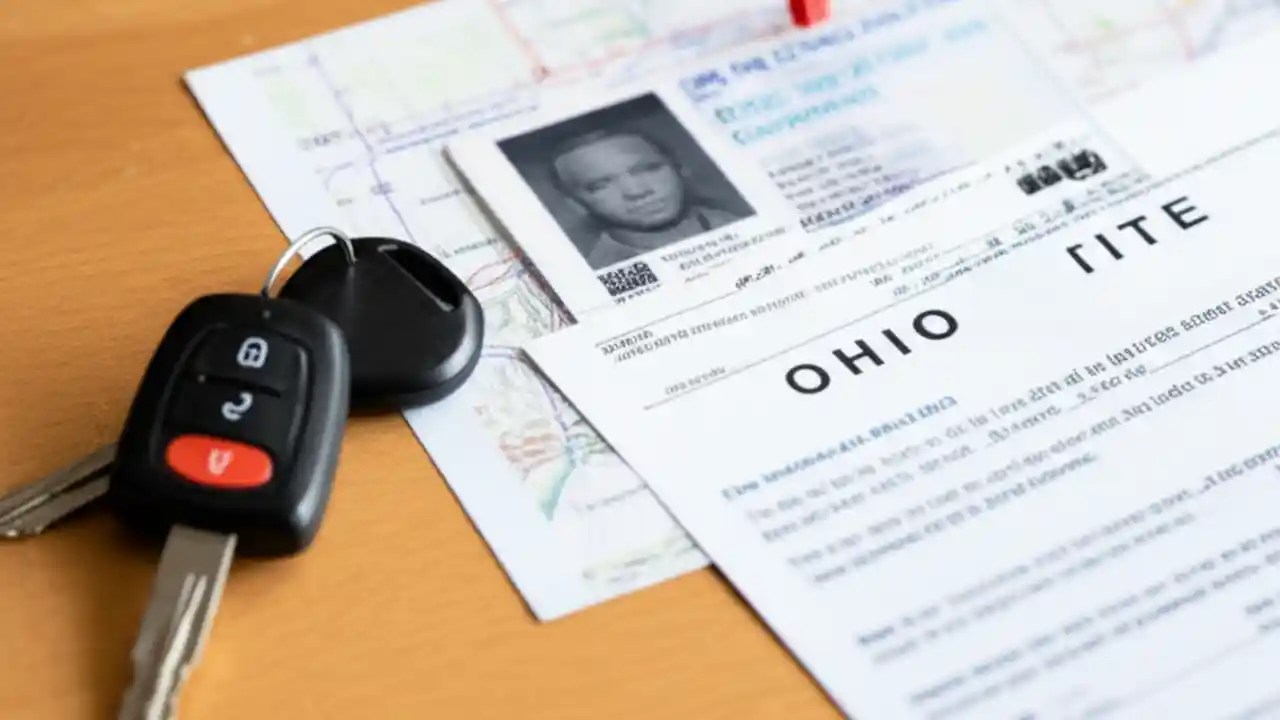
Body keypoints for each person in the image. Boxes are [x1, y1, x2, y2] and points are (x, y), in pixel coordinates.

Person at [549, 130, 742, 269]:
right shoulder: (606, 273)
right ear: (576, 204)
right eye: (599, 186)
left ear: (680, 169)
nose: (636, 191)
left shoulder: (736, 220)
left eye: (648, 169)